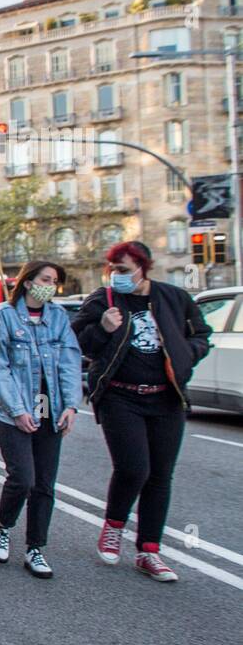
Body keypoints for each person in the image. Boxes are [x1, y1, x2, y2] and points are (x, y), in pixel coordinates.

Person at [73, 241, 211, 582]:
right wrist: (102, 328)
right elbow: (80, 342)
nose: (117, 276)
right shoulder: (103, 300)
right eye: (113, 270)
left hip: (166, 398)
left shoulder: (174, 298)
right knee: (134, 468)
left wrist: (183, 354)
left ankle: (149, 550)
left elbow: (202, 335)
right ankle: (113, 526)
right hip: (120, 396)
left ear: (142, 267)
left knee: (160, 475)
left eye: (123, 270)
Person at [0, 260, 82, 579]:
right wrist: (17, 410)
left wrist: (70, 406)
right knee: (22, 477)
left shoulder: (58, 317)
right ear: (28, 282)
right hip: (13, 411)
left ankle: (35, 548)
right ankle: (3, 526)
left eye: (55, 281)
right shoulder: (4, 315)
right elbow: (0, 367)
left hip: (49, 409)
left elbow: (69, 362)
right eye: (45, 278)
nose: (50, 285)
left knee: (44, 484)